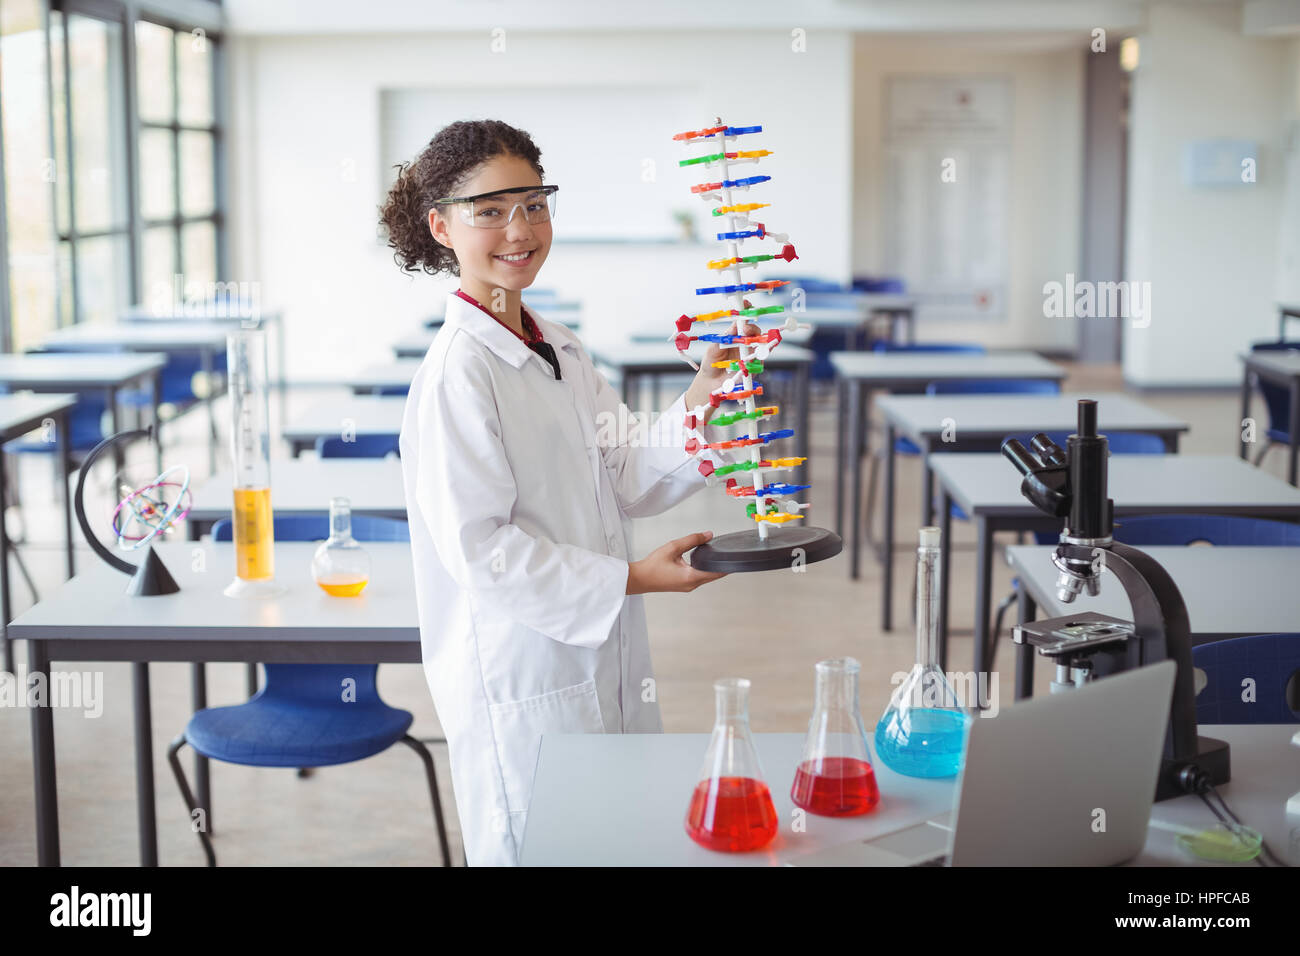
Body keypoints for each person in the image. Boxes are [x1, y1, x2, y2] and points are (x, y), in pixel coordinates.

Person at [383, 119, 756, 865]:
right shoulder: (460, 371)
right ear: (441, 226)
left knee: (617, 839)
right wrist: (630, 578)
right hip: (523, 675)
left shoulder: (559, 345)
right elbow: (482, 553)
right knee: (544, 844)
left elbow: (621, 471)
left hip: (600, 659)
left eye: (534, 204)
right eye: (488, 210)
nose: (519, 229)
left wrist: (703, 393)